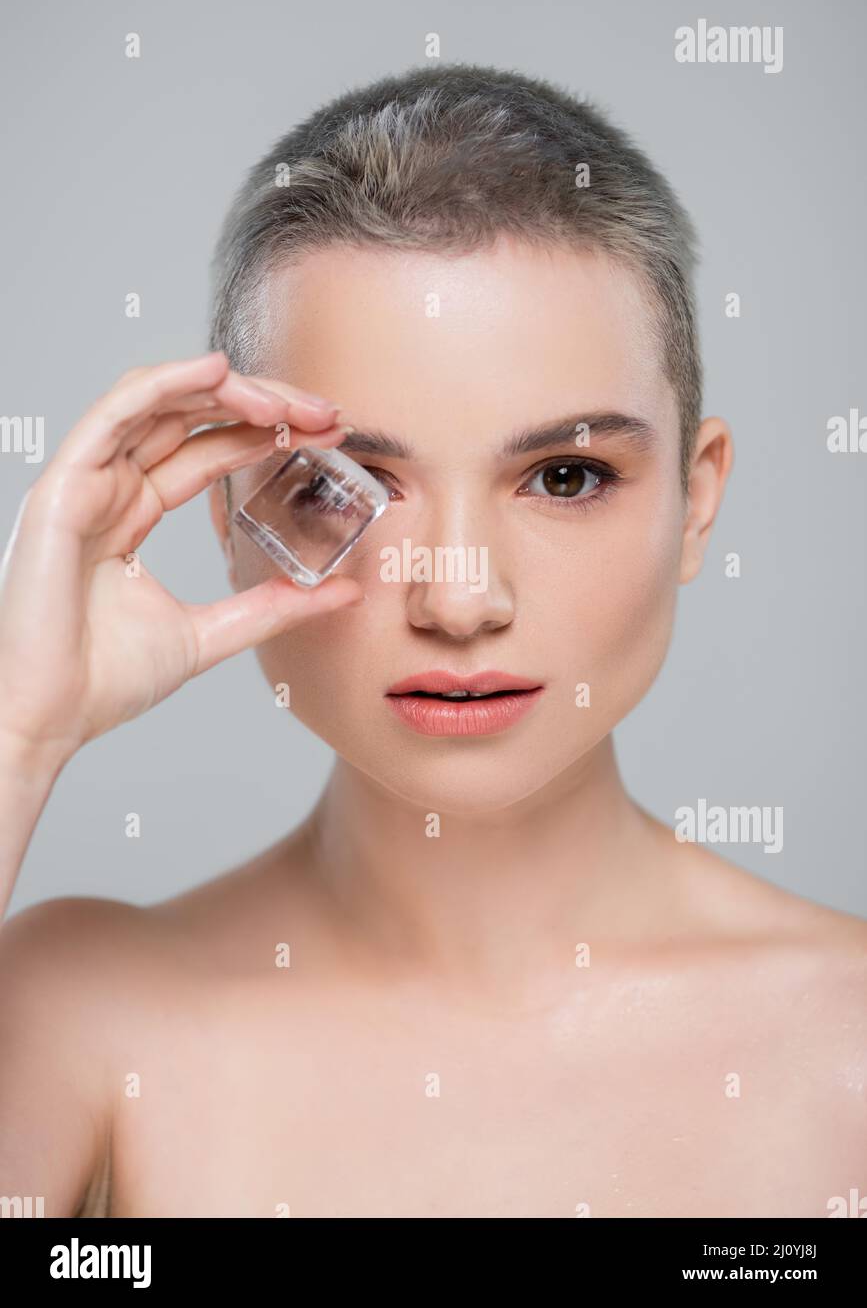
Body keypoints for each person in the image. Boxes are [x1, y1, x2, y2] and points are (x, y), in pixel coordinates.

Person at [1, 64, 864, 1219]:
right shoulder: (73, 1016)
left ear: (696, 501)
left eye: (565, 476)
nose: (460, 602)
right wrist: (15, 727)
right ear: (229, 515)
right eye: (346, 485)